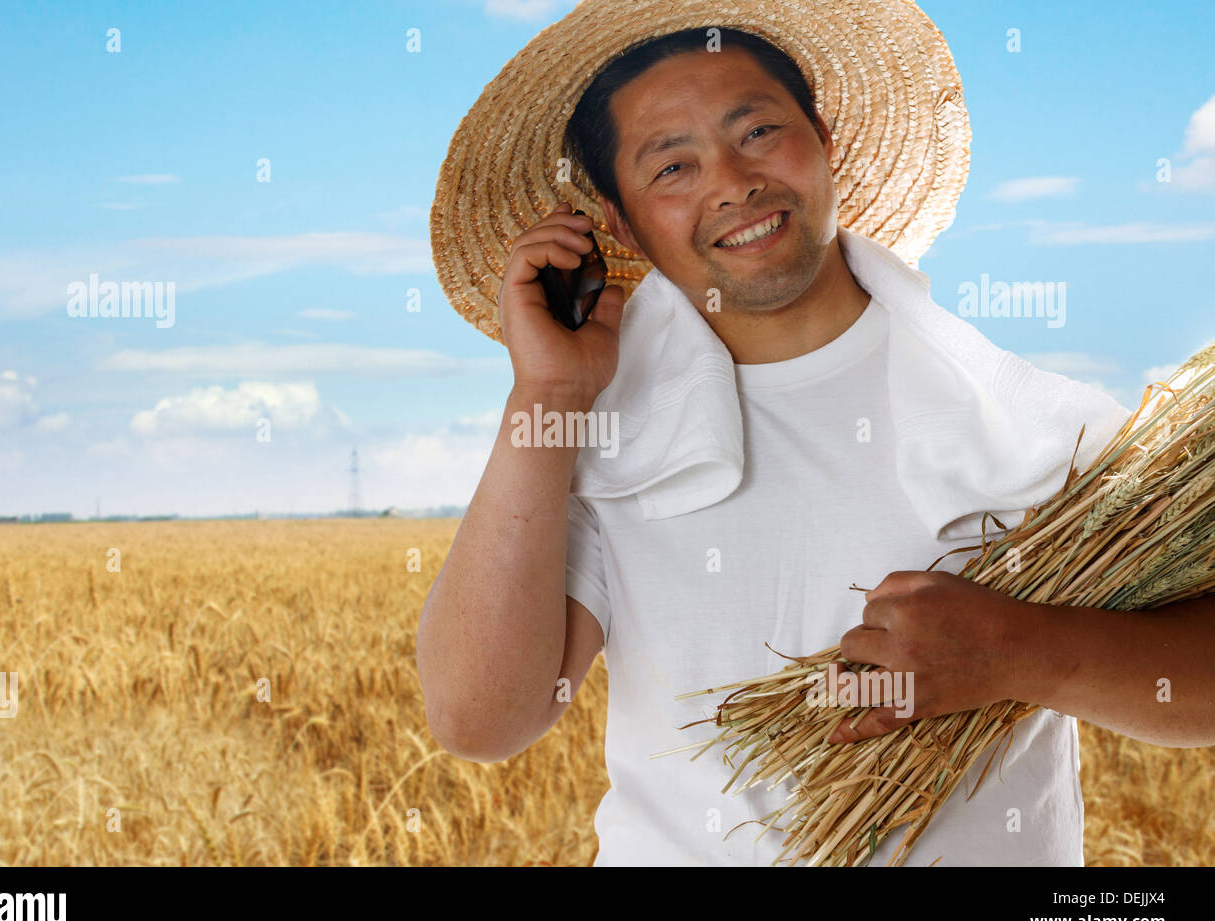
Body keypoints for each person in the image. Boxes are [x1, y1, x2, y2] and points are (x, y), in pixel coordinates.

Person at [418, 0, 1215, 866]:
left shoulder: (1026, 419)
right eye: (672, 166)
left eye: (758, 131)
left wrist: (1029, 654)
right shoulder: (604, 437)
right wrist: (549, 391)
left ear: (825, 139)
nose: (731, 181)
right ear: (618, 224)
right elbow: (480, 720)